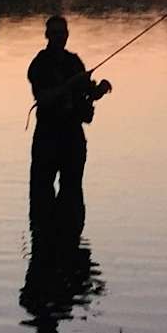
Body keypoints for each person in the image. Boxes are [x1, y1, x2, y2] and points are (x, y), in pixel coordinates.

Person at [27, 15, 110, 213]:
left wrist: (100, 90)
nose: (59, 37)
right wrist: (68, 86)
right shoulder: (39, 64)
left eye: (62, 33)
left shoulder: (74, 62)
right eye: (55, 33)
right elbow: (43, 97)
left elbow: (87, 92)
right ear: (47, 35)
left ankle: (71, 238)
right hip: (47, 137)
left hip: (72, 136)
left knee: (72, 193)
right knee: (41, 194)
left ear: (67, 35)